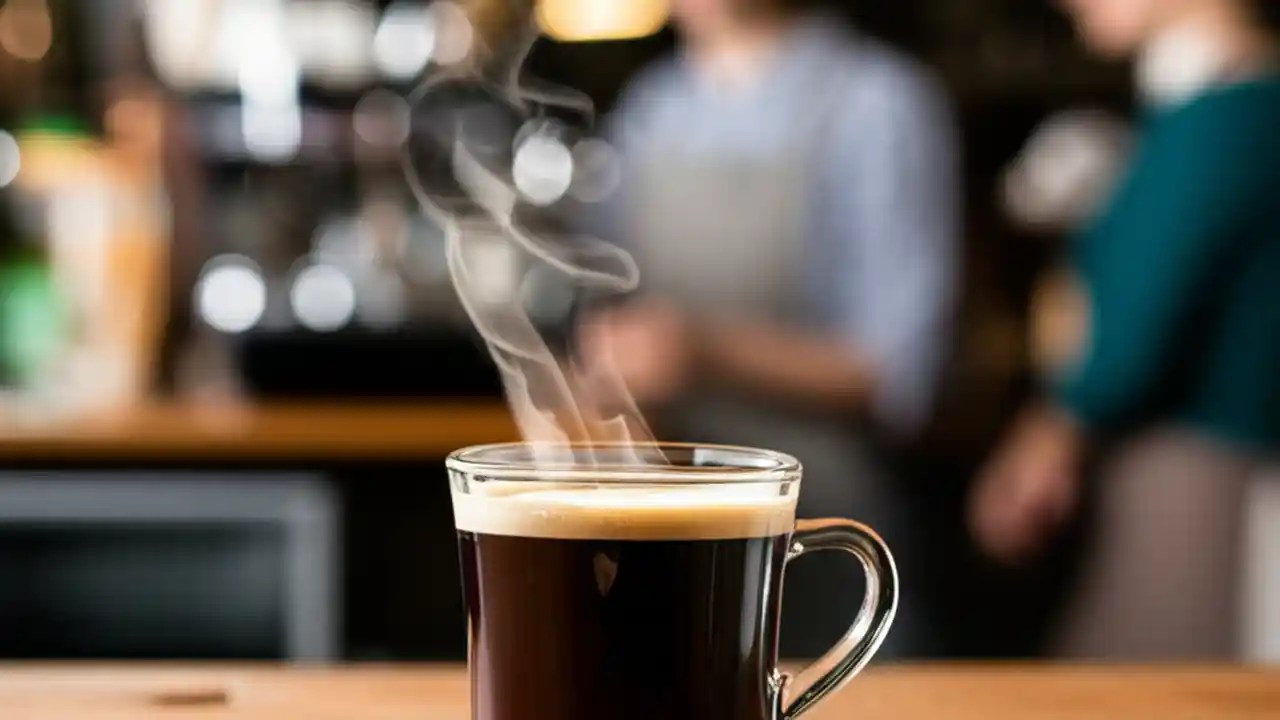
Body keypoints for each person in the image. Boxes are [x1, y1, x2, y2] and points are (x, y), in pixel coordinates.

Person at [579, 0, 959, 657]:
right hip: (672, 532)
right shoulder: (653, 106)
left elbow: (900, 372)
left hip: (825, 535)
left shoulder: (877, 104)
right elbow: (601, 302)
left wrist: (704, 349)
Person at [970, 0, 1280, 659]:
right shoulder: (1212, 107)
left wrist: (1046, 436)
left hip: (1199, 492)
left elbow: (1127, 341)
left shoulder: (1227, 115)